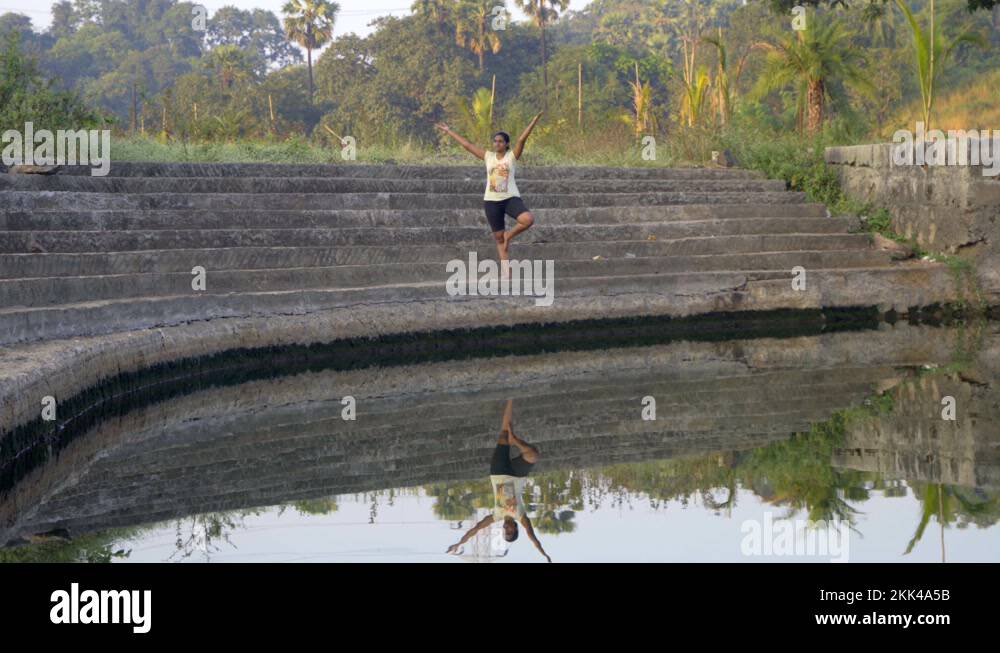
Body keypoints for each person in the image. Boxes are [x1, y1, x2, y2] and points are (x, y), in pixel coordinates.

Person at [434, 114, 543, 274]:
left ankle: (509, 235)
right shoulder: (488, 157)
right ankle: (507, 274)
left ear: (506, 144)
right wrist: (449, 131)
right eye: (495, 141)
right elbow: (467, 145)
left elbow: (521, 140)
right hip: (491, 201)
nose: (497, 143)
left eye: (500, 141)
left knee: (527, 219)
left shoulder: (511, 157)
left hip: (510, 198)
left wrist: (533, 122)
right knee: (498, 238)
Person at [446, 399, 551, 562]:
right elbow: (532, 536)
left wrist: (459, 544)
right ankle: (514, 439)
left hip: (498, 471)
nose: (506, 529)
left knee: (504, 433)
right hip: (517, 474)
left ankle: (510, 397)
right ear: (516, 528)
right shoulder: (520, 515)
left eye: (505, 532)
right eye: (509, 532)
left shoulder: (497, 515)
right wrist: (544, 554)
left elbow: (476, 529)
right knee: (533, 454)